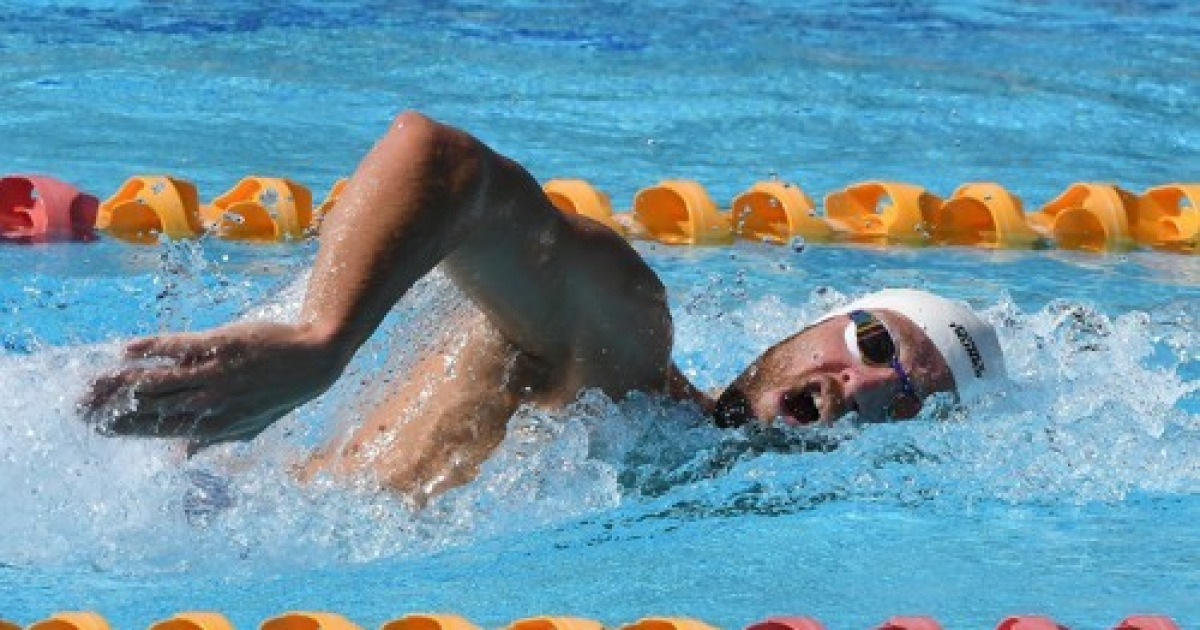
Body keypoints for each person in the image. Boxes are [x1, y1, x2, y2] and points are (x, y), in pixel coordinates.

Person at [84, 111, 1005, 504]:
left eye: (903, 398)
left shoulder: (670, 467)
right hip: (179, 500)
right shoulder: (624, 339)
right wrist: (320, 339)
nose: (863, 383)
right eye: (874, 340)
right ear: (811, 323)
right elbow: (443, 161)